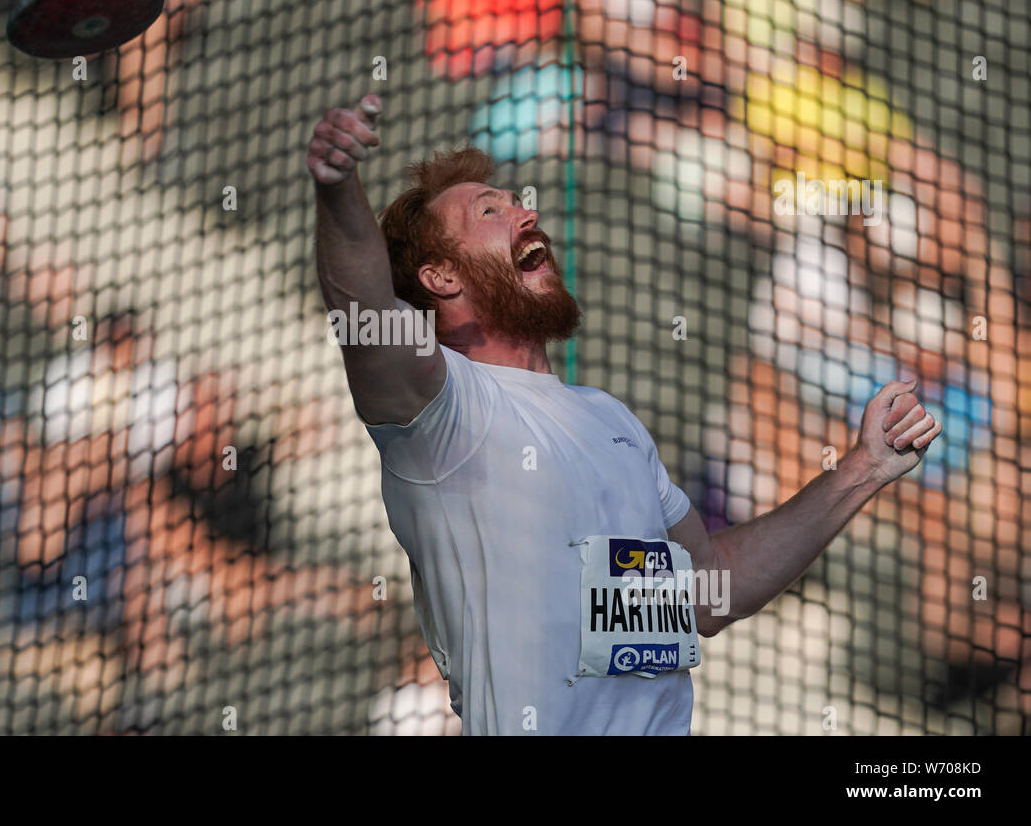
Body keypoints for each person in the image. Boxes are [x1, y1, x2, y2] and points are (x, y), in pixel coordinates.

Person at [307, 93, 944, 735]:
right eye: (490, 211)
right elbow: (362, 309)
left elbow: (705, 592)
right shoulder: (442, 413)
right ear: (440, 277)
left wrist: (863, 468)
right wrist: (337, 191)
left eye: (516, 201)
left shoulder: (608, 419)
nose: (527, 211)